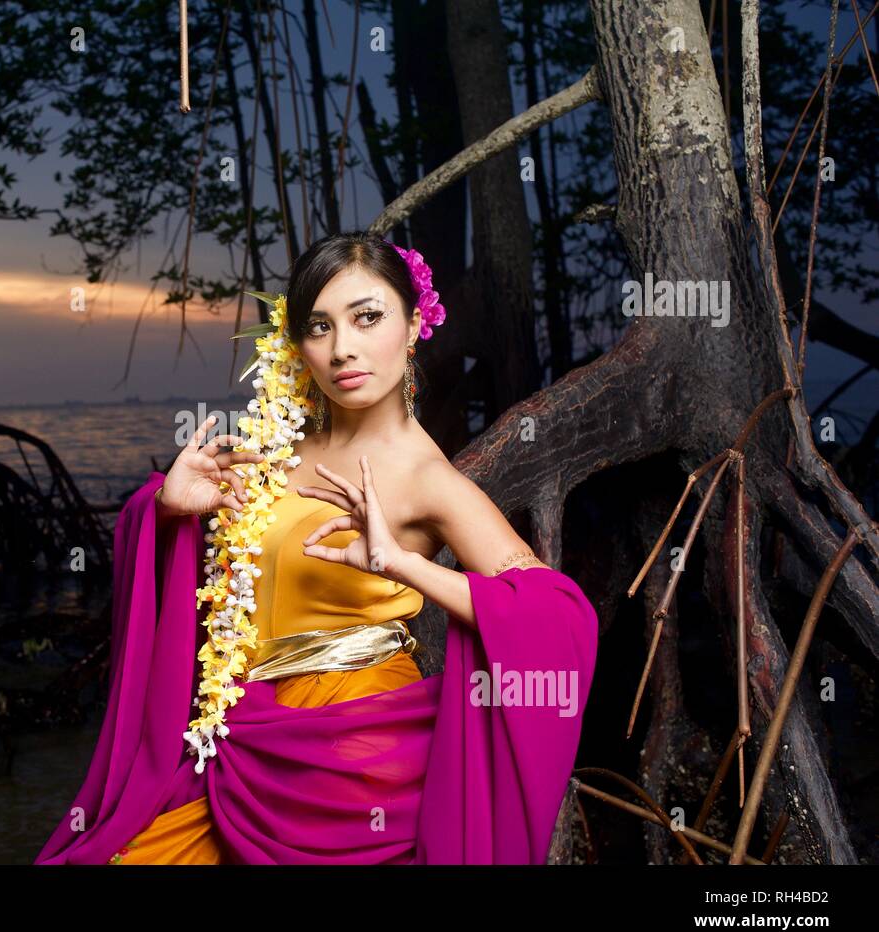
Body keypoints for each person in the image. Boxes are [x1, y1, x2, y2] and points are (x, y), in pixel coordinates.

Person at [35, 232, 599, 864]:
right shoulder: (277, 450)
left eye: (367, 318)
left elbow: (554, 615)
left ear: (414, 325)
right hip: (240, 733)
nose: (342, 350)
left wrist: (405, 565)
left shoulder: (428, 479)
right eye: (318, 327)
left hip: (356, 755)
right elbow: (234, 590)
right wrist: (169, 512)